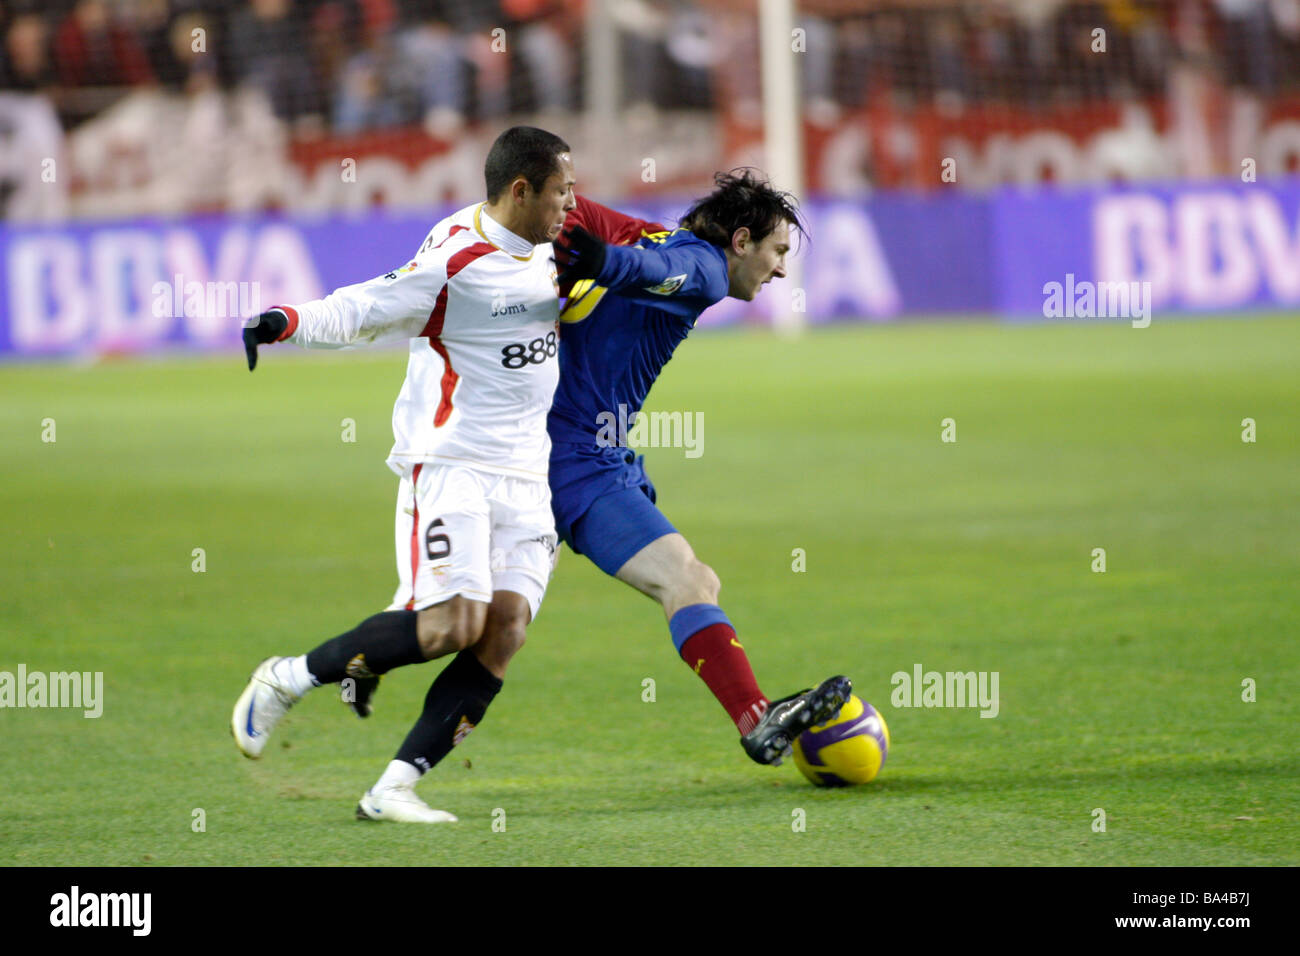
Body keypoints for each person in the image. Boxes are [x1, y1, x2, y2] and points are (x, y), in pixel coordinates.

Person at [231, 126, 575, 824]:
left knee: (504, 630)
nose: (574, 204)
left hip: (528, 476)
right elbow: (364, 306)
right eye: (562, 191)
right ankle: (287, 678)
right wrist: (283, 321)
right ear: (521, 191)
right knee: (452, 624)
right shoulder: (456, 261)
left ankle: (392, 789)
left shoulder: (559, 249)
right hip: (452, 465)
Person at [543, 169, 851, 765]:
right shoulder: (705, 269)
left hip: (587, 452)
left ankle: (323, 668)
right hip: (575, 460)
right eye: (778, 252)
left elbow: (581, 213)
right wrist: (603, 262)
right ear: (740, 242)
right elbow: (655, 273)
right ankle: (756, 719)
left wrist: (581, 242)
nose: (782, 270)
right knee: (686, 581)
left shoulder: (650, 235)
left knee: (483, 623)